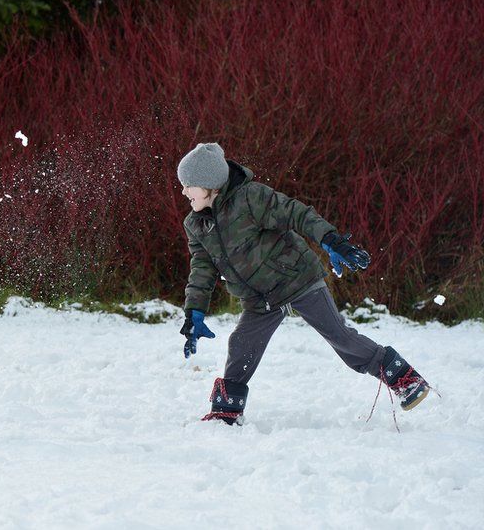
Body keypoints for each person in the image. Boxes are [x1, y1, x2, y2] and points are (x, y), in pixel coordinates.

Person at [176, 142, 429, 425]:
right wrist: (195, 311)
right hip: (259, 297)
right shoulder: (196, 224)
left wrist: (328, 239)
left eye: (189, 184)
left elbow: (296, 213)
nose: (184, 191)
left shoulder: (251, 198)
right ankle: (226, 412)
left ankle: (405, 379)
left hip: (296, 277)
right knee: (242, 343)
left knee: (339, 336)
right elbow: (202, 268)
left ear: (211, 185)